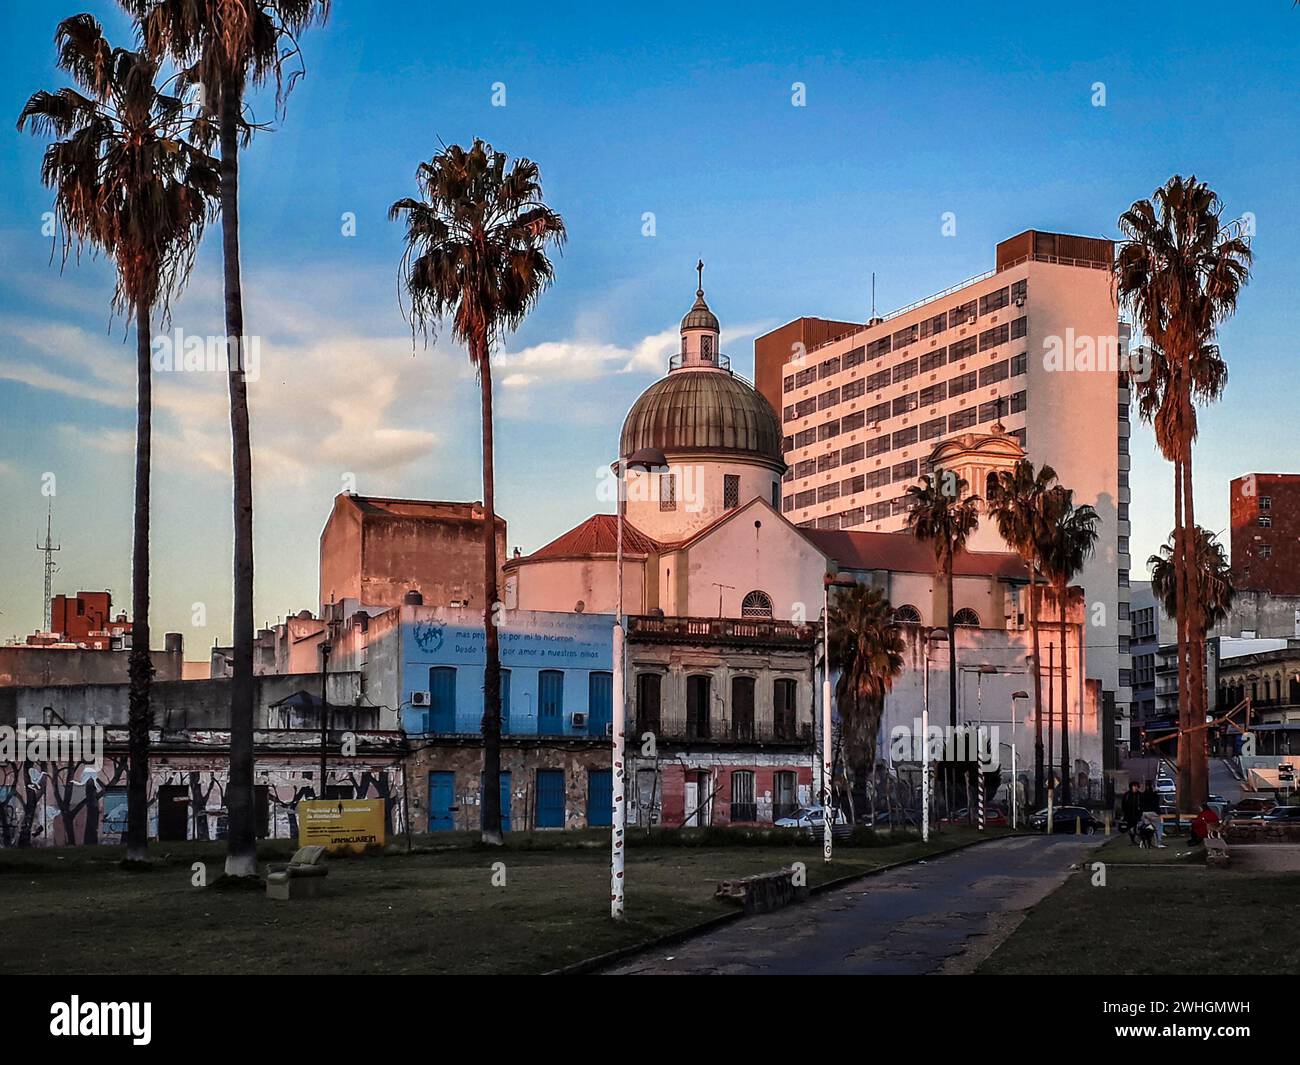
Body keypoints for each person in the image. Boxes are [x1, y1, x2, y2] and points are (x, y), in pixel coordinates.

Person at [1141, 781, 1167, 848]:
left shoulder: (1143, 794)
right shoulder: (1154, 794)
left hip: (1144, 813)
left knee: (1146, 828)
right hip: (1153, 813)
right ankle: (1158, 843)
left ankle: (1143, 843)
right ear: (1152, 786)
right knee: (1158, 827)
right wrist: (1159, 813)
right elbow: (1156, 805)